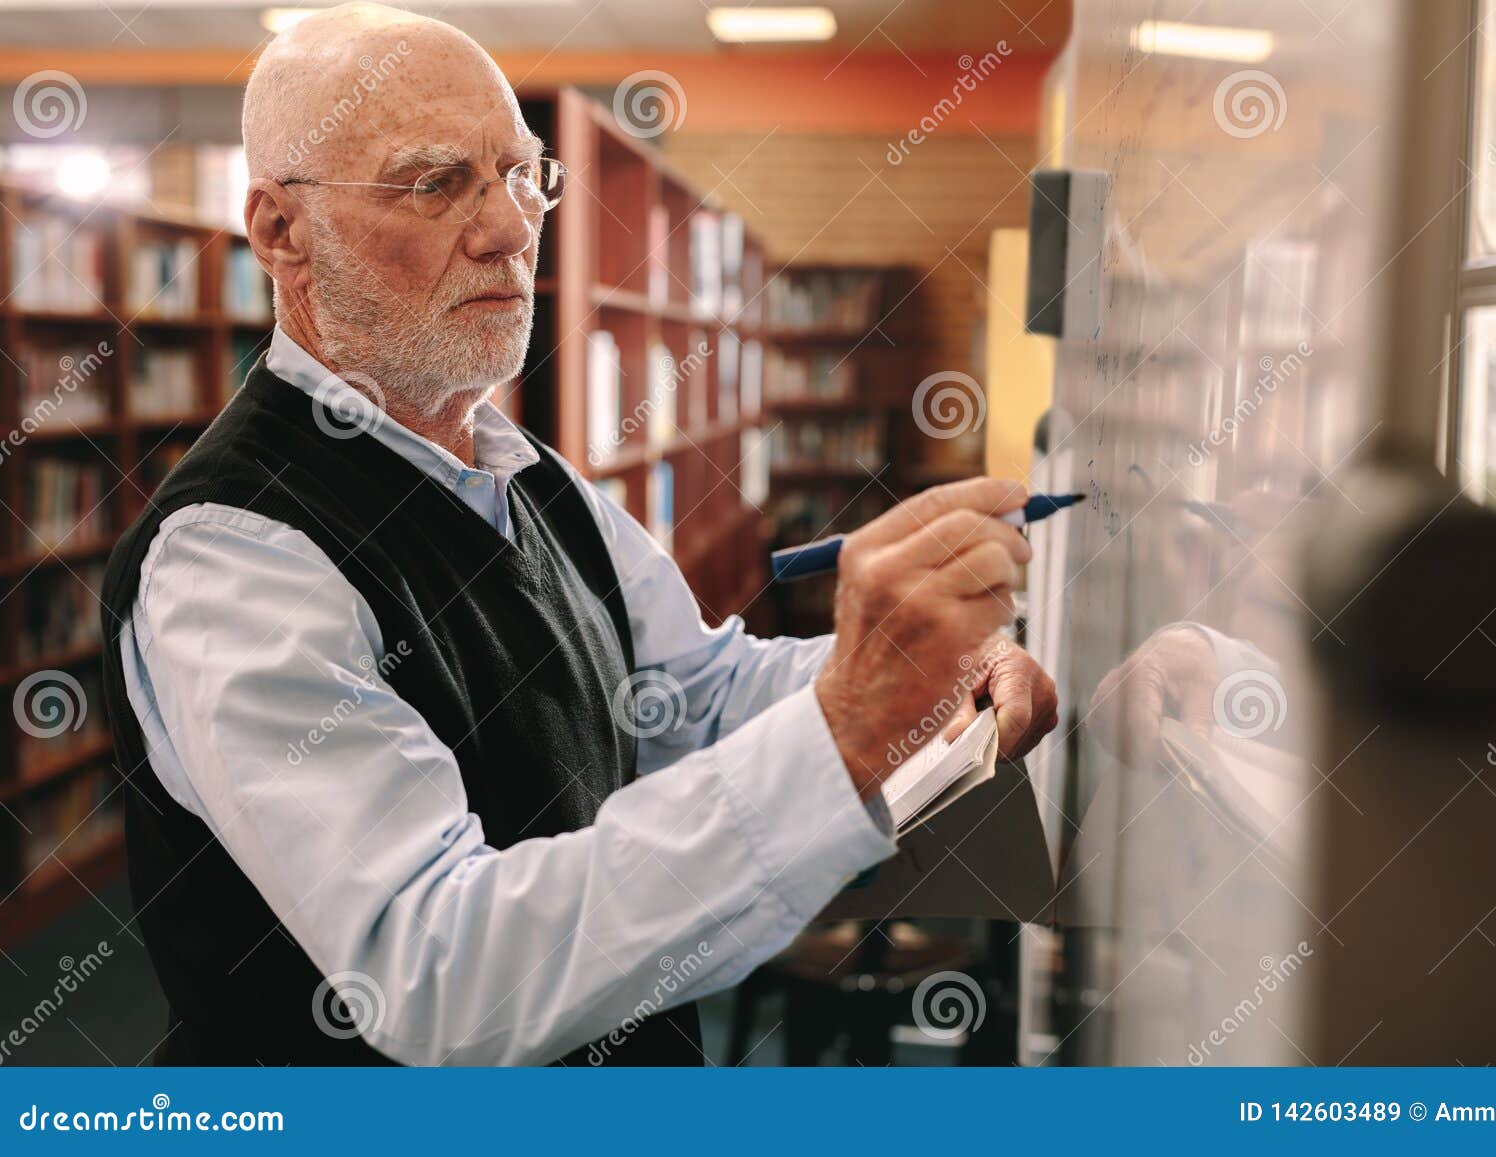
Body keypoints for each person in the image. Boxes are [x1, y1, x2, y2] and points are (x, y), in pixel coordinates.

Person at [99, 3, 1057, 1066]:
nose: (510, 228)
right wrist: (842, 729)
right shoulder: (235, 552)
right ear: (282, 232)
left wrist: (920, 672)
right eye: (434, 181)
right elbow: (438, 971)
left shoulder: (522, 470)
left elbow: (693, 693)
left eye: (522, 174)